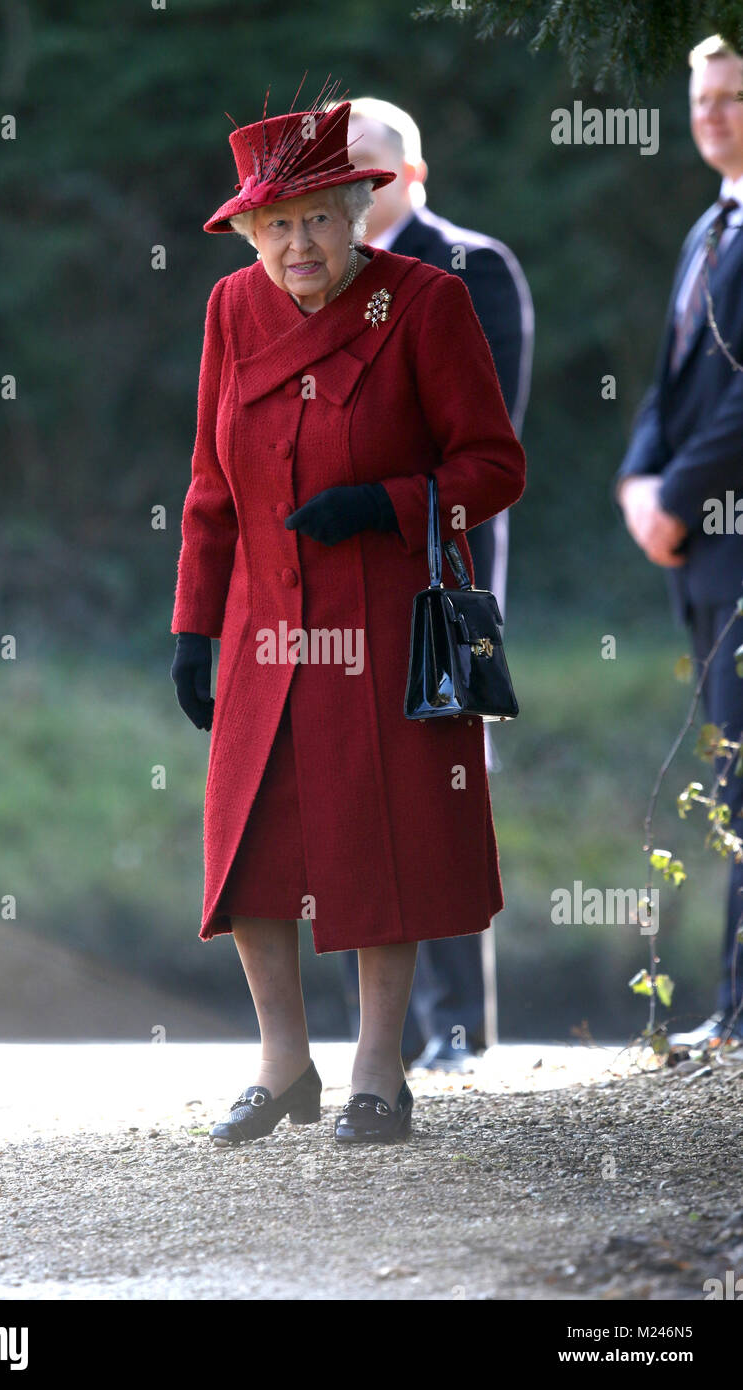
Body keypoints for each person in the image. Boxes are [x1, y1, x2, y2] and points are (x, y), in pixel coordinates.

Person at [170, 80, 526, 1146]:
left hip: (381, 621)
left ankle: (380, 1067)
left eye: (317, 217)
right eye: (275, 225)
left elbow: (494, 466)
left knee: (386, 839)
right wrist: (193, 626)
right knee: (253, 839)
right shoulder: (230, 311)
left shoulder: (424, 301)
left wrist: (390, 501)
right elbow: (207, 483)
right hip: (263, 620)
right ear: (248, 232)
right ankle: (283, 1063)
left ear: (358, 210)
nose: (298, 244)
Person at [338, 96, 534, 1072]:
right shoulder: (313, 280)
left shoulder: (473, 268)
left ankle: (456, 1029)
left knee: (439, 787)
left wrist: (375, 490)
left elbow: (486, 444)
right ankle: (373, 1037)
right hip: (332, 583)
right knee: (342, 790)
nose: (349, 185)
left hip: (435, 580)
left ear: (412, 176)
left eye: (367, 166)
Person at [614, 35, 743, 1048]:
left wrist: (678, 493)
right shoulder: (706, 226)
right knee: (729, 775)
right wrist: (634, 480)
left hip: (730, 536)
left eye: (730, 96)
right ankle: (733, 1009)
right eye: (701, 97)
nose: (710, 113)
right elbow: (669, 383)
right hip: (696, 549)